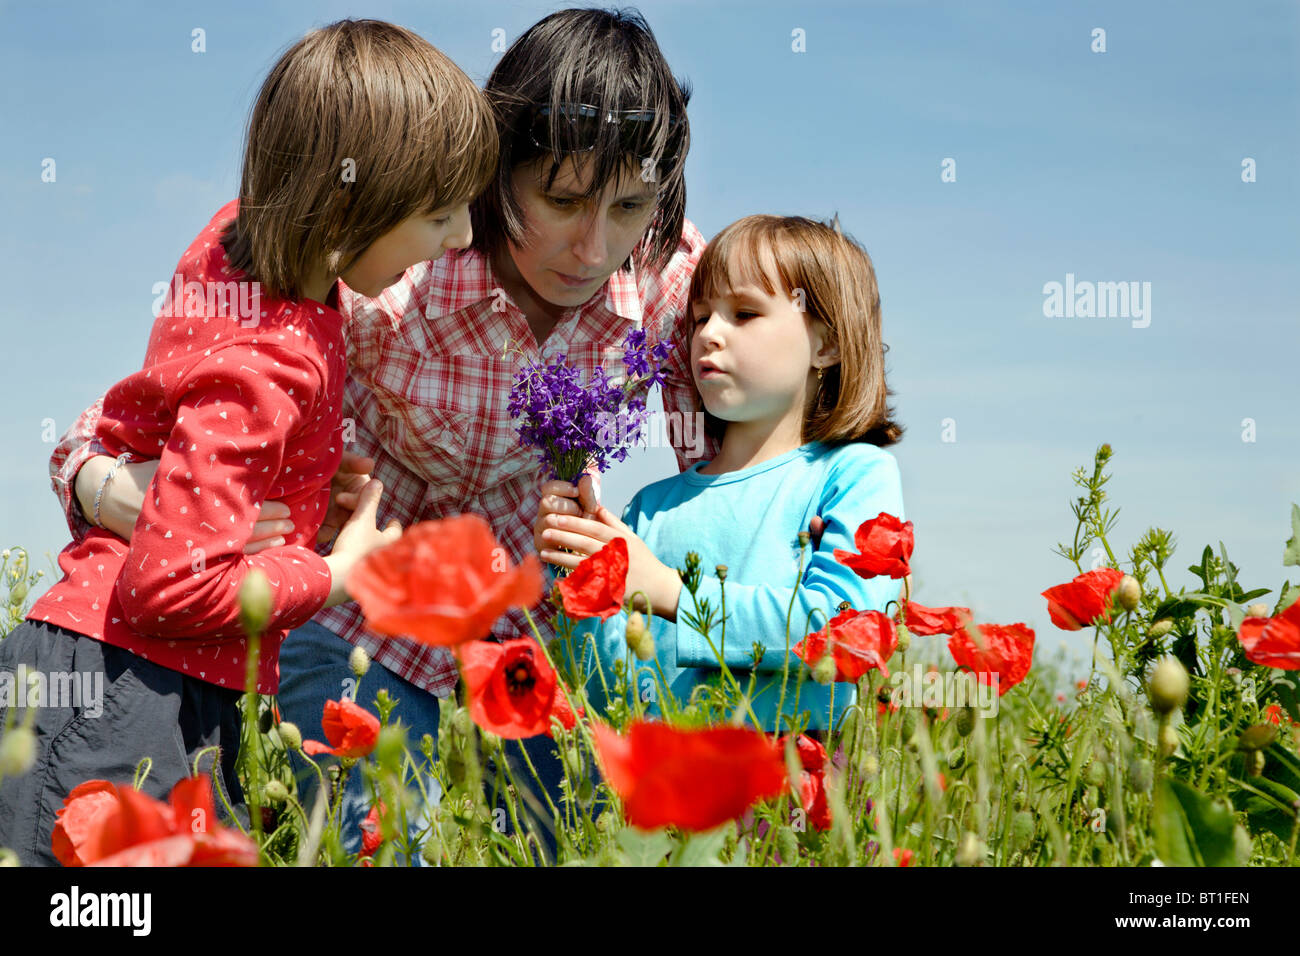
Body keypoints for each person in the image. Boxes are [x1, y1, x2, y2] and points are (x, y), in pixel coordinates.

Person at [46, 8, 710, 858]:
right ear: (496, 168)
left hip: (526, 644)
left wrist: (676, 587)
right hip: (352, 623)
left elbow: (729, 481)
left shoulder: (672, 280)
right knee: (378, 842)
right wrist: (119, 493)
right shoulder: (393, 254)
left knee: (553, 847)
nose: (594, 246)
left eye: (628, 208)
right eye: (564, 199)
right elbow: (105, 434)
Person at [0, 19, 496, 866]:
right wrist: (338, 571)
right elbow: (171, 584)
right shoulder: (270, 362)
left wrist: (301, 487)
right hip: (125, 690)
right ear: (350, 206)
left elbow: (193, 432)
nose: (458, 240)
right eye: (439, 214)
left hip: (114, 671)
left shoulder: (244, 254)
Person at [533, 214, 906, 733]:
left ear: (826, 345)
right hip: (667, 787)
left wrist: (670, 591)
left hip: (791, 790)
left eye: (745, 313)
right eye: (701, 316)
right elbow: (608, 693)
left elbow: (851, 631)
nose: (709, 334)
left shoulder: (852, 473)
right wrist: (577, 572)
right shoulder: (652, 506)